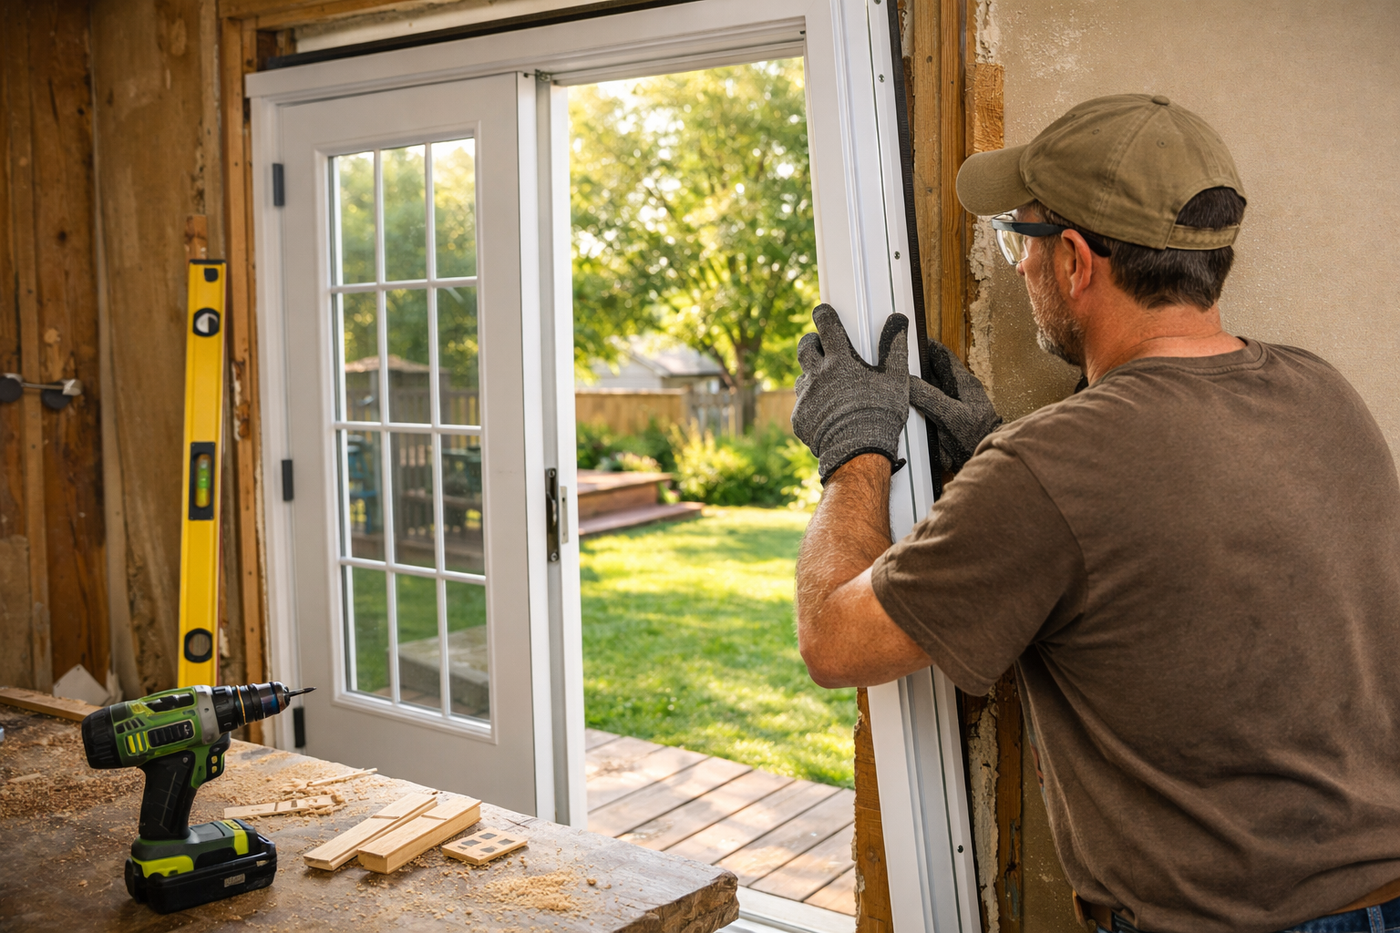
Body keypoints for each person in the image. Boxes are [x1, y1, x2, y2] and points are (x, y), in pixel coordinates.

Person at [789, 93, 1400, 933]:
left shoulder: (1052, 468)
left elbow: (834, 638)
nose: (1019, 266)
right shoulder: (1321, 390)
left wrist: (852, 452)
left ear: (1074, 260)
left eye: (1019, 240)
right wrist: (1000, 471)